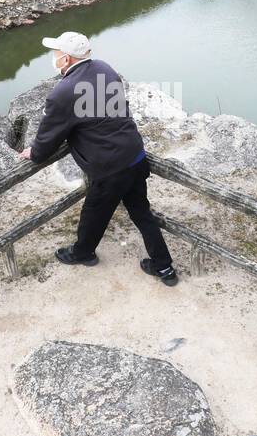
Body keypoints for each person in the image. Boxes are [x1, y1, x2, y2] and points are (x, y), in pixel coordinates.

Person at [18, 31, 178, 286]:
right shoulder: (105, 69)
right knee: (141, 212)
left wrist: (34, 153)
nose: (54, 57)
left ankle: (82, 253)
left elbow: (49, 135)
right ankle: (165, 268)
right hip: (134, 154)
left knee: (93, 213)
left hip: (109, 166)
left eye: (57, 54)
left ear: (67, 60)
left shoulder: (63, 91)